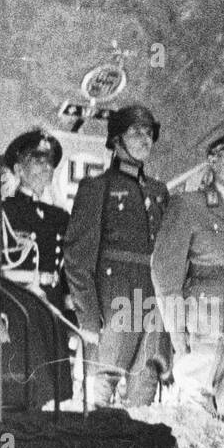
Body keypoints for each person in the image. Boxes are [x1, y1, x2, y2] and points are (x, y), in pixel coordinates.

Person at [151, 122, 224, 423]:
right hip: (203, 317)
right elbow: (165, 276)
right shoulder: (187, 206)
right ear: (213, 160)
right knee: (196, 399)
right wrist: (177, 334)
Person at [63, 103, 170, 407]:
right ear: (116, 140)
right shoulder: (97, 187)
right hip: (113, 303)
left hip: (152, 303)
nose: (145, 139)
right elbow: (77, 260)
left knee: (144, 390)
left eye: (148, 133)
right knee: (99, 392)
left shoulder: (159, 192)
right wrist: (88, 318)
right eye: (136, 132)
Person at [0, 129, 73, 408]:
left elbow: (66, 274)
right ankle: (11, 439)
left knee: (52, 401)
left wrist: (70, 318)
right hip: (14, 314)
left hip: (50, 316)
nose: (46, 167)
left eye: (50, 162)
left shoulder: (59, 218)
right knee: (15, 401)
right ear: (18, 169)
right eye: (38, 160)